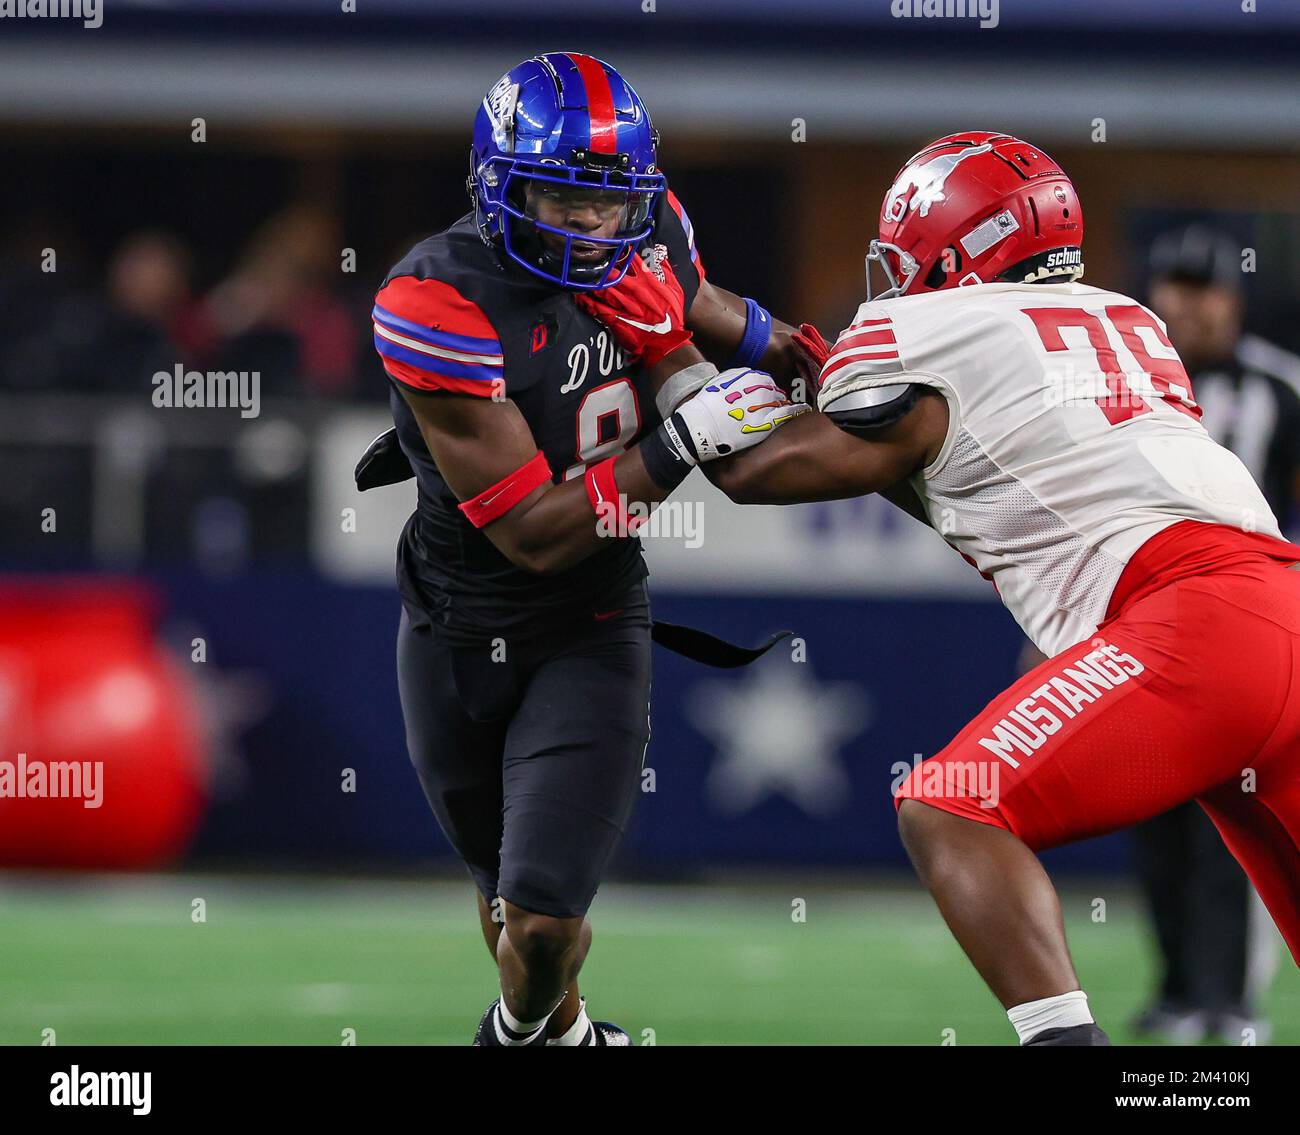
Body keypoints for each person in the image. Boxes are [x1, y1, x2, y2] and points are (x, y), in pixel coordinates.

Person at [583, 131, 1300, 1045]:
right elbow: (965, 477)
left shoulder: (935, 329)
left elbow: (752, 470)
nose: (896, 277)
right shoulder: (1126, 318)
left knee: (952, 804)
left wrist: (667, 348)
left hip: (1191, 623)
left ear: (962, 250)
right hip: (1278, 608)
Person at [362, 52, 817, 1046]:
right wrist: (685, 438)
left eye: (606, 203)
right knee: (505, 902)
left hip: (591, 615)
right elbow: (532, 533)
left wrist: (807, 356)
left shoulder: (646, 238)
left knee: (542, 919)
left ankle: (513, 1035)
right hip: (455, 618)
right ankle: (567, 1037)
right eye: (559, 199)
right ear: (499, 186)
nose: (587, 224)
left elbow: (707, 305)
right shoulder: (437, 300)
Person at [1123, 224, 1300, 1044]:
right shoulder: (1119, 379)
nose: (1189, 306)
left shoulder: (1278, 387)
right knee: (1154, 810)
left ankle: (1228, 998)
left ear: (1233, 297)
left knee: (1229, 815)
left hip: (1244, 629)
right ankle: (1180, 989)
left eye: (1205, 288)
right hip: (1138, 624)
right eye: (1177, 286)